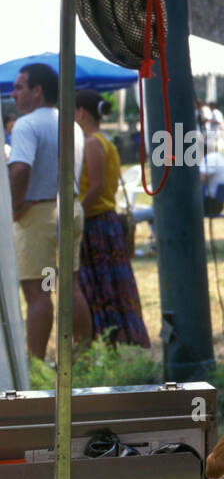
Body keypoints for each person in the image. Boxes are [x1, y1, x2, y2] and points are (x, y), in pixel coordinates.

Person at [7, 63, 92, 360]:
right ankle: (82, 359)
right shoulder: (72, 124)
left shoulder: (27, 125)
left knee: (38, 292)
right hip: (69, 208)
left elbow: (19, 169)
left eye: (19, 87)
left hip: (39, 214)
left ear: (37, 90)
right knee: (69, 286)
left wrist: (15, 206)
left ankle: (37, 364)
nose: (13, 93)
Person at [73, 90, 150, 348]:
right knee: (109, 286)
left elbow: (96, 187)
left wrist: (75, 215)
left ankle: (111, 339)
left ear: (81, 113)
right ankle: (114, 341)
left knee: (101, 287)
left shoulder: (93, 143)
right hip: (102, 223)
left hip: (97, 224)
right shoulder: (101, 140)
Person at [199, 133, 224, 215]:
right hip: (220, 203)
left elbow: (201, 179)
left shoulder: (209, 159)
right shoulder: (221, 157)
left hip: (210, 204)